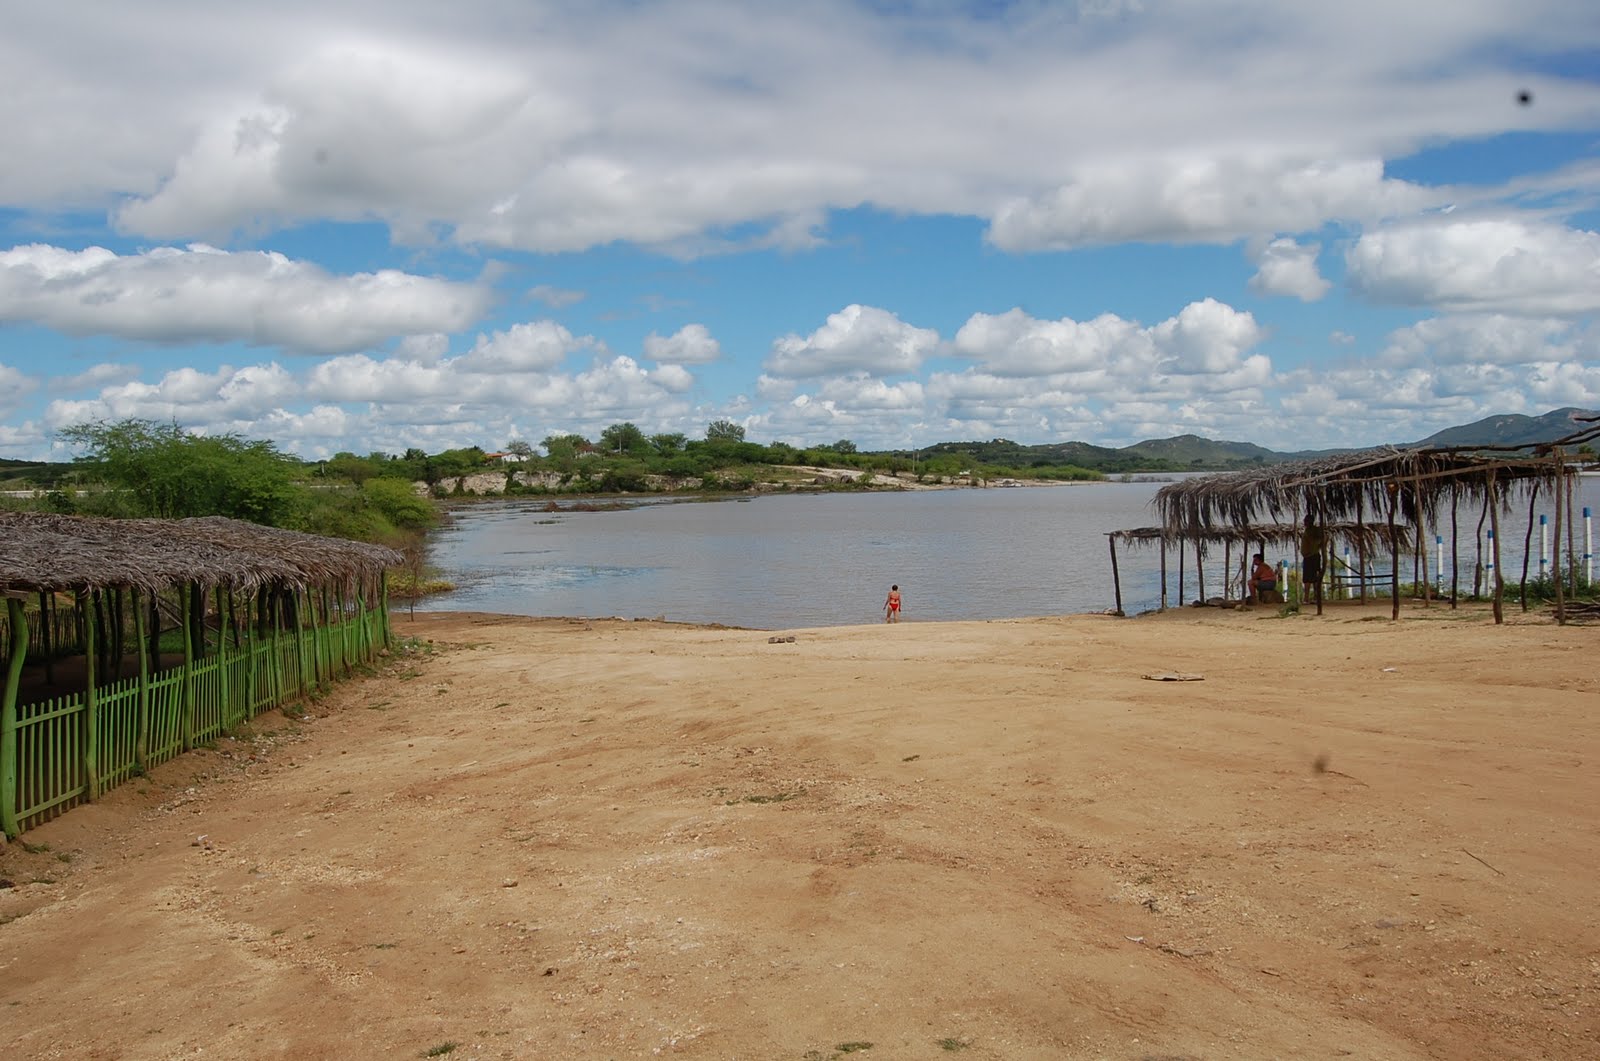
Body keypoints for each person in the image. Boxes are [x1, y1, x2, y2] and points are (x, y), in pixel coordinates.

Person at [1301, 514, 1327, 598]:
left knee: (1311, 578)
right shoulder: (1307, 531)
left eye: (1306, 521)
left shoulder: (1313, 531)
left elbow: (1321, 539)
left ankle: (1311, 597)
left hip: (1312, 556)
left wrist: (1318, 545)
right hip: (1308, 556)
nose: (1304, 522)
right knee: (1309, 578)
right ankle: (1310, 597)